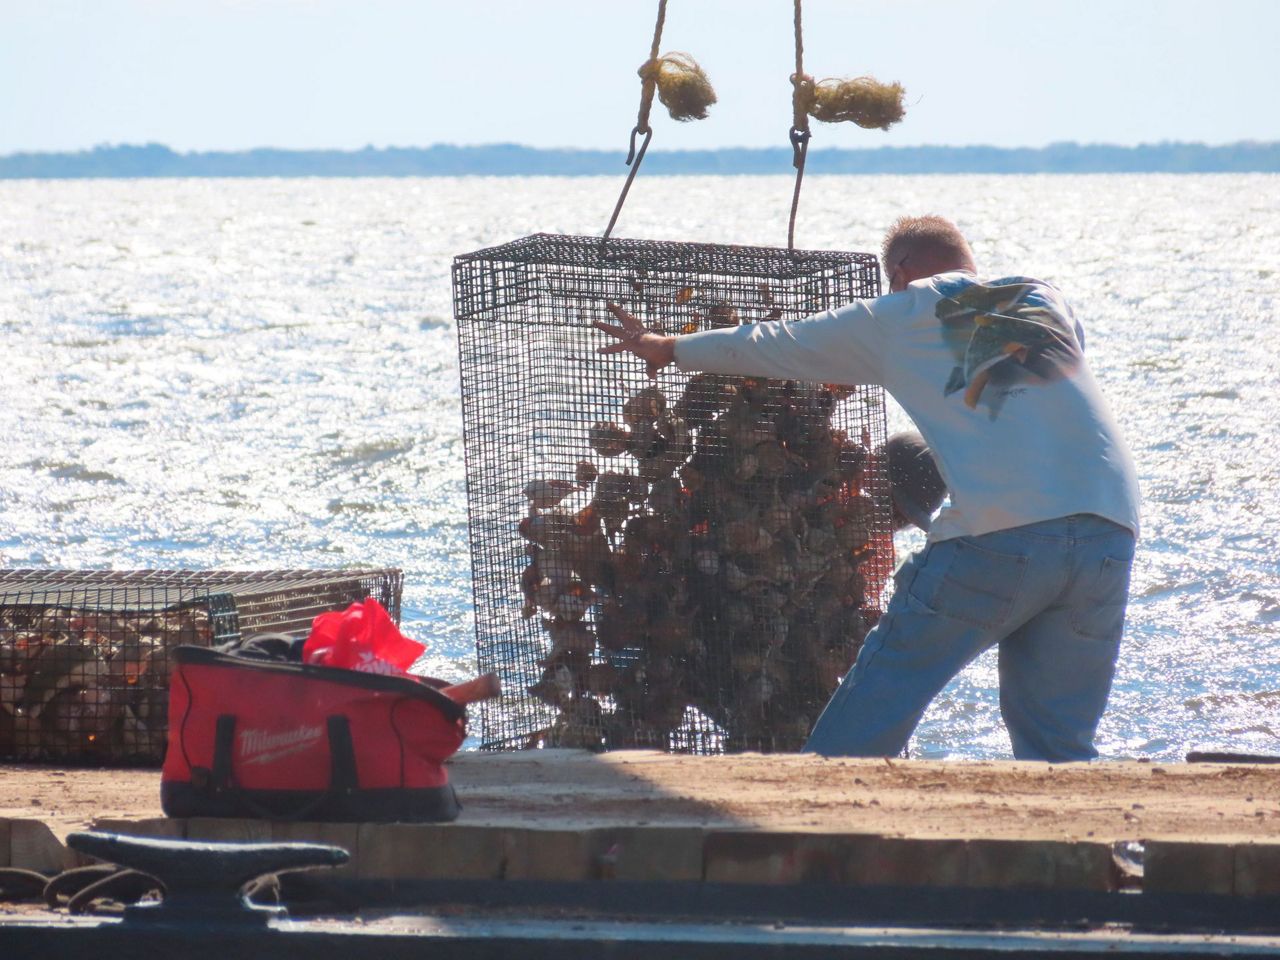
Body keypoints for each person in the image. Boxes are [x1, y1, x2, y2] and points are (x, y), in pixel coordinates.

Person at [594, 215, 1140, 762]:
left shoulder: (900, 313)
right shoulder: (1043, 299)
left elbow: (777, 344)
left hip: (1001, 538)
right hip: (1109, 531)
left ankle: (815, 827)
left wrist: (667, 347)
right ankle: (1084, 845)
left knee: (882, 694)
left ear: (899, 272)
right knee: (1058, 745)